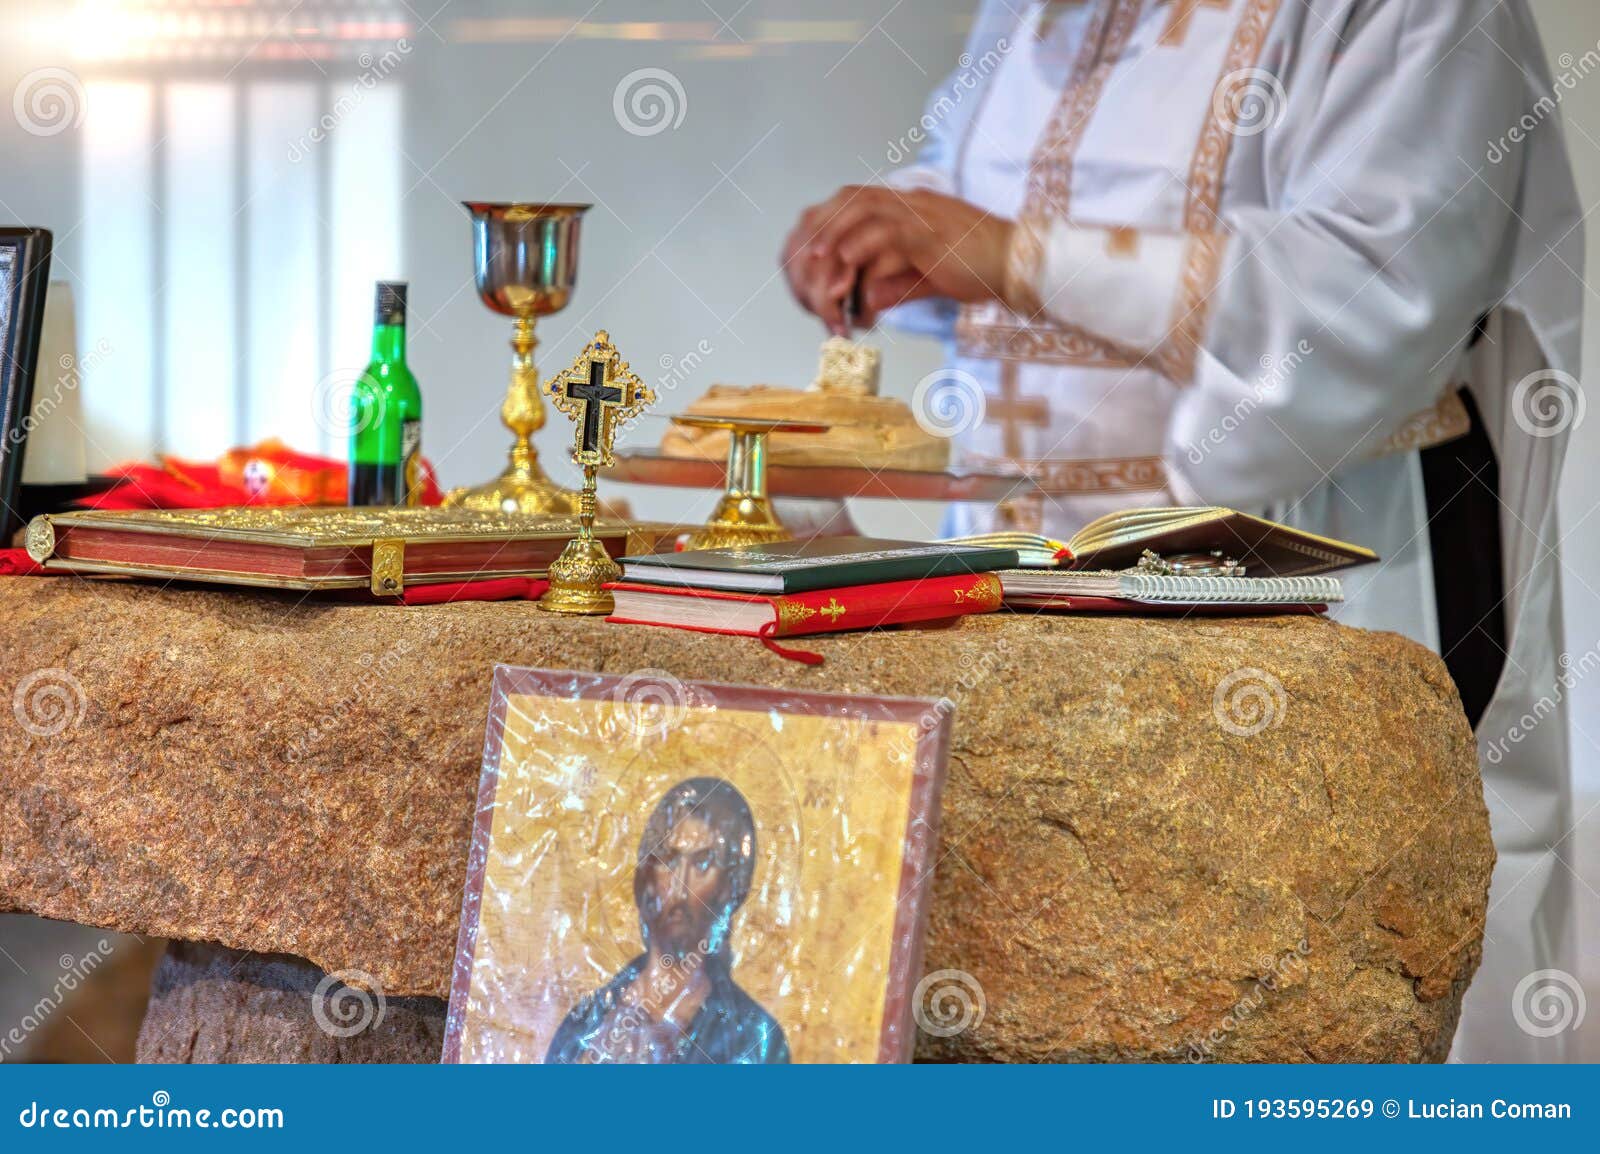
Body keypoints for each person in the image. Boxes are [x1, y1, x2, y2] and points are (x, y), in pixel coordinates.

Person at [784, 0, 1583, 1062]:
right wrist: (892, 238)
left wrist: (1017, 255)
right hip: (1007, 580)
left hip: (1304, 560)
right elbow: (970, 202)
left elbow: (1369, 294)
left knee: (1314, 980)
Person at [545, 777, 789, 1064]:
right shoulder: (589, 1023)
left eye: (702, 863)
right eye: (669, 859)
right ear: (647, 876)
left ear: (728, 886)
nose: (679, 885)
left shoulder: (753, 1037)